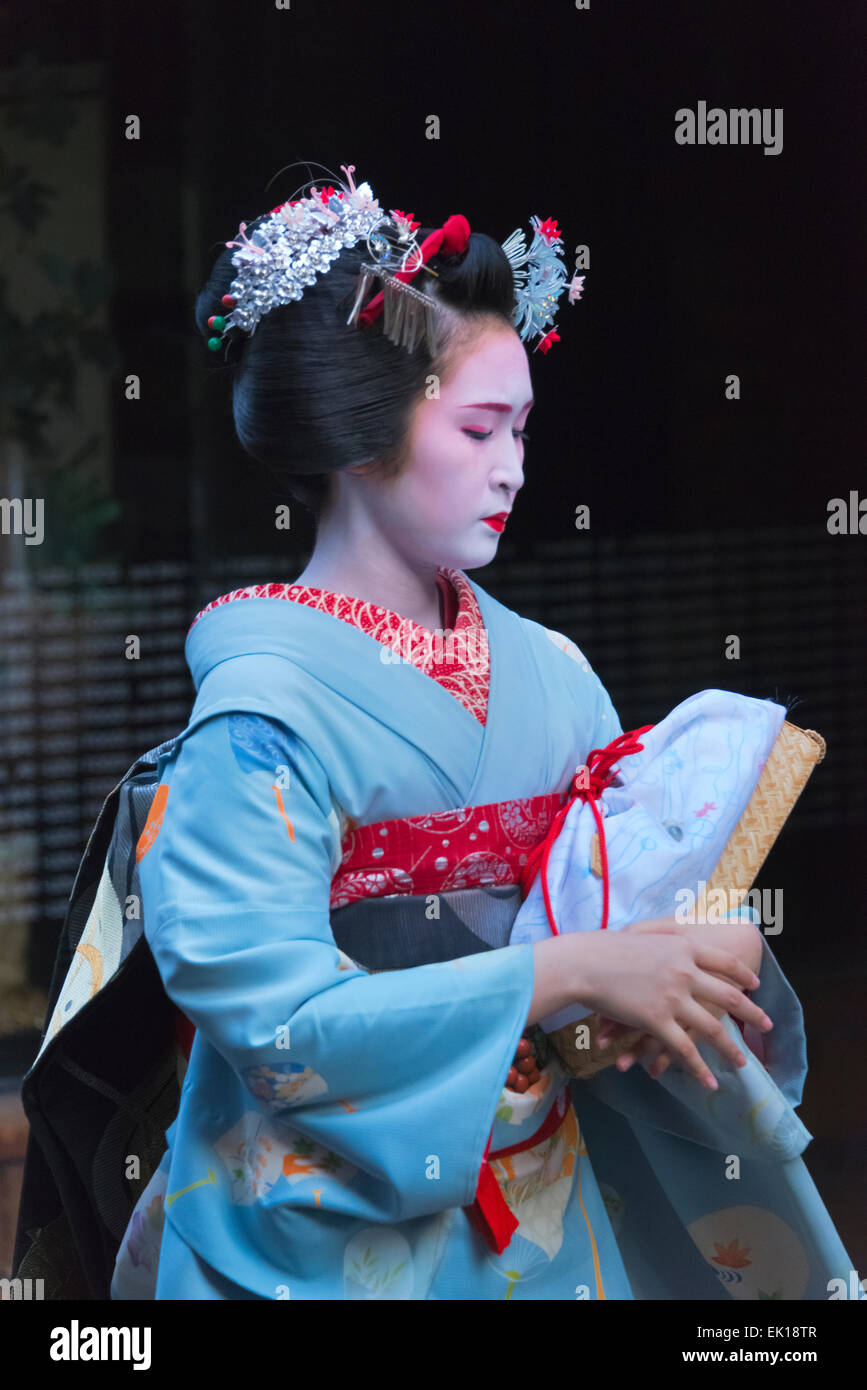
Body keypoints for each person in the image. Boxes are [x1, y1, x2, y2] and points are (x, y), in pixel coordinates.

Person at [109, 162, 794, 1301]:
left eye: (523, 428)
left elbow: (618, 906)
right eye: (480, 428)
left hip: (544, 1212)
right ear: (356, 431)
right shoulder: (260, 712)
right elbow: (273, 1017)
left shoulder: (552, 673)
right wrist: (570, 969)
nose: (514, 467)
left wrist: (696, 952)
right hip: (312, 1222)